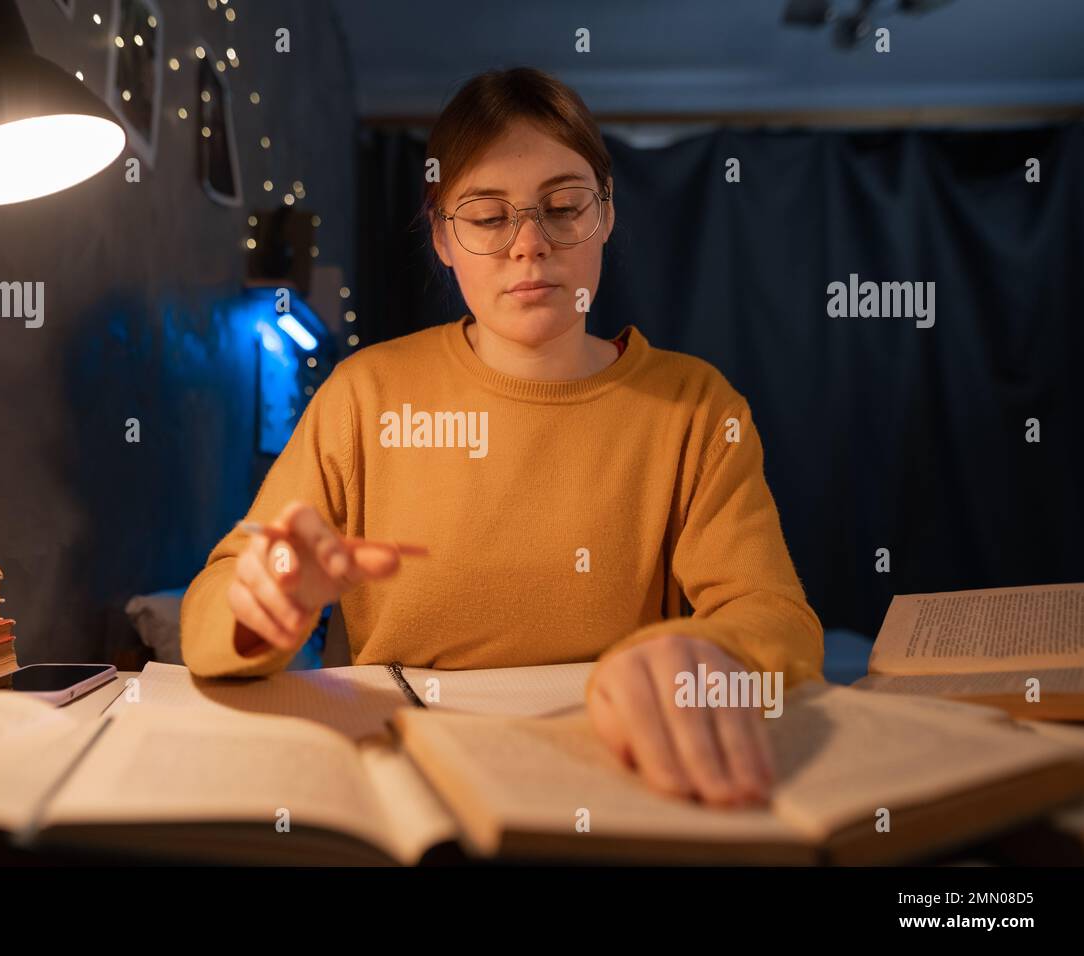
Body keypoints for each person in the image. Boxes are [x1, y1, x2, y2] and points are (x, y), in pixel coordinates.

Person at [180, 67, 823, 808]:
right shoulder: (364, 395)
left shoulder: (697, 408)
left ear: (606, 213)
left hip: (610, 776)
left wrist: (706, 653)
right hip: (399, 783)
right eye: (487, 218)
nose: (530, 245)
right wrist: (262, 606)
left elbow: (779, 622)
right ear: (444, 239)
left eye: (563, 206)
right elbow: (208, 617)